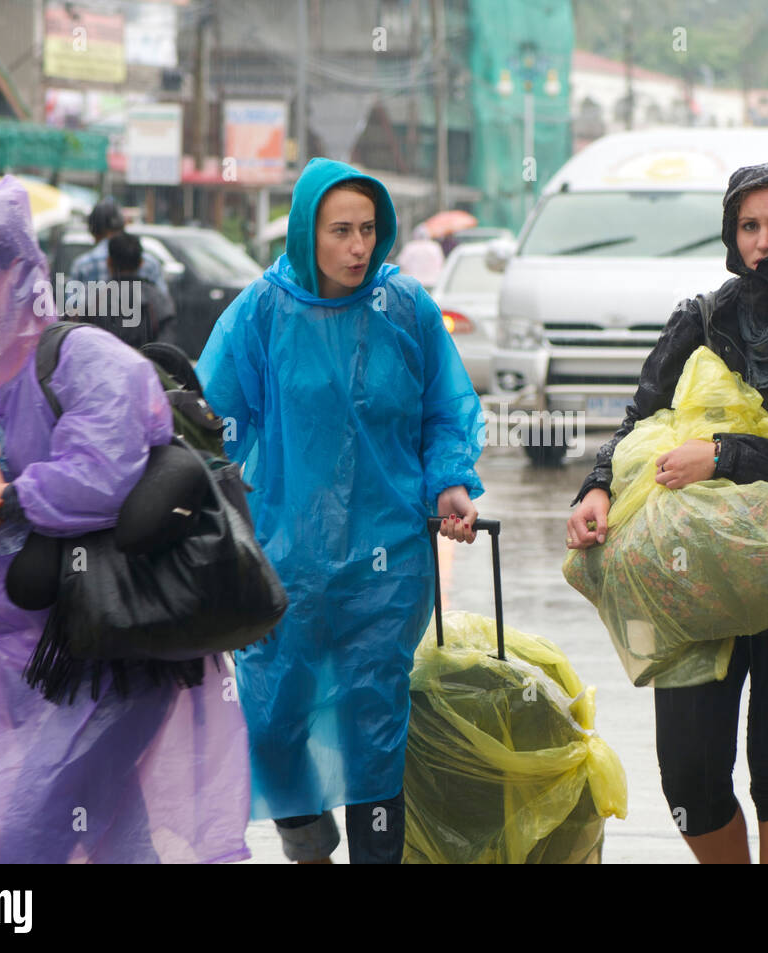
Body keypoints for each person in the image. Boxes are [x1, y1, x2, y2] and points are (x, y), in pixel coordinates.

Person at [0, 177, 251, 863]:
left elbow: (103, 470)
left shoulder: (87, 360)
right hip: (15, 660)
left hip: (118, 645)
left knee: (33, 828)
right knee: (110, 827)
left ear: (12, 273)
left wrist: (11, 496)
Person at [567, 159, 768, 863]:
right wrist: (596, 488)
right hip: (694, 571)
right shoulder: (707, 315)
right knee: (689, 777)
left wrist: (724, 454)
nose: (764, 241)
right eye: (749, 226)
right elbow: (641, 417)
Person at [196, 157, 485, 865]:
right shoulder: (263, 310)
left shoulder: (407, 306)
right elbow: (209, 417)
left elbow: (445, 410)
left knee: (373, 721)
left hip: (387, 562)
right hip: (284, 556)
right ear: (306, 234)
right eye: (341, 231)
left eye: (368, 230)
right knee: (272, 718)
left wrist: (450, 482)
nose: (359, 246)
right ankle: (309, 846)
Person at [69, 199, 175, 316]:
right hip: (142, 331)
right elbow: (163, 304)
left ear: (92, 231)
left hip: (99, 331)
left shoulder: (83, 265)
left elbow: (74, 312)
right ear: (123, 225)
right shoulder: (149, 262)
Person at [102, 231, 175, 348]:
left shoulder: (94, 299)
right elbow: (165, 349)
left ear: (109, 262)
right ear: (141, 263)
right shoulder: (159, 300)